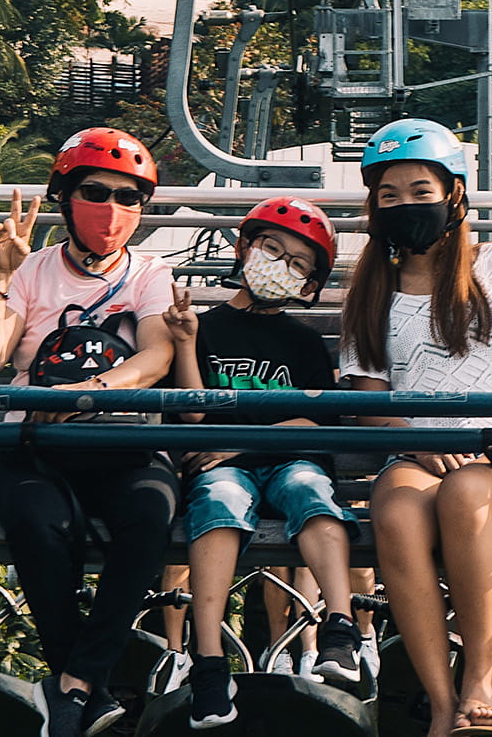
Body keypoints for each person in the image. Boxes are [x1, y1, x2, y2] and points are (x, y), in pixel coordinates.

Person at [340, 118, 492, 737]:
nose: (404, 206)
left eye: (420, 192)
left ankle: (480, 674)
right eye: (388, 196)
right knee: (393, 513)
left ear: (453, 194)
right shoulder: (373, 288)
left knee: (467, 491)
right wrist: (415, 442)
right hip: (421, 457)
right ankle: (442, 701)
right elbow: (368, 396)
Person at [0, 127, 179, 737]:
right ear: (65, 197)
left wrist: (91, 393)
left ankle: (73, 687)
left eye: (128, 197)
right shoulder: (31, 272)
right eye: (95, 191)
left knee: (149, 514)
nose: (112, 210)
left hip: (121, 440)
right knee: (37, 521)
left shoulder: (149, 275)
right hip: (36, 445)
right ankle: (86, 684)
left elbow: (155, 357)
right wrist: (1, 276)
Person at [163, 197, 364, 727]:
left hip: (284, 459)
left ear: (308, 285)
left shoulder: (302, 342)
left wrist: (245, 442)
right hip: (221, 466)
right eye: (271, 248)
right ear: (244, 249)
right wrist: (185, 343)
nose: (280, 265)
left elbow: (318, 420)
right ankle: (208, 659)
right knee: (220, 497)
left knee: (309, 489)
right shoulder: (203, 329)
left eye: (298, 263)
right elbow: (193, 420)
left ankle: (339, 631)